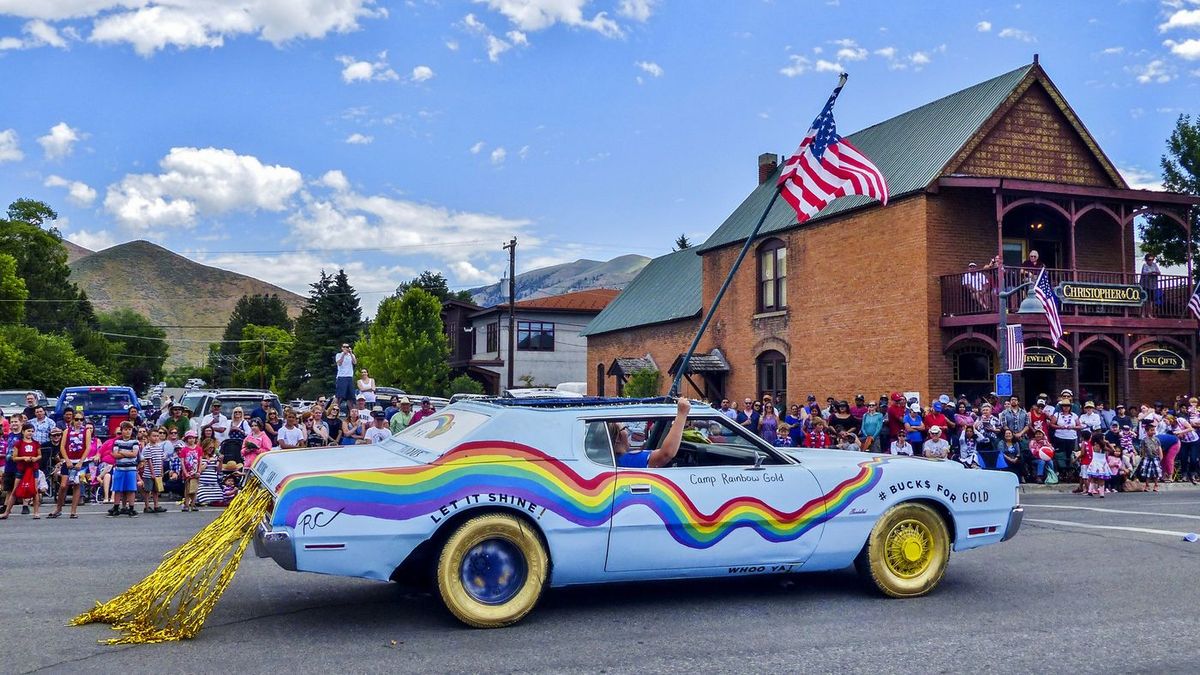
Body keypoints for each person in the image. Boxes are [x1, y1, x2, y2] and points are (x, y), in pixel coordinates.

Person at [610, 399, 690, 468]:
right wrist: (682, 413)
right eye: (624, 428)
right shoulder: (629, 459)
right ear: (617, 438)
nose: (627, 432)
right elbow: (666, 454)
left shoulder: (610, 459)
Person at [48, 411, 92, 519]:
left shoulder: (86, 431)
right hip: (69, 460)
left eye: (81, 419)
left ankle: (73, 511)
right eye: (76, 419)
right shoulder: (67, 431)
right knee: (63, 485)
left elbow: (88, 447)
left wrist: (81, 462)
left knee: (77, 484)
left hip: (81, 461)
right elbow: (62, 447)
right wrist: (67, 460)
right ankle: (58, 508)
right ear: (73, 420)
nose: (79, 422)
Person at [0, 423, 42, 519]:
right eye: (28, 431)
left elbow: (40, 455)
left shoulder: (36, 443)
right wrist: (24, 458)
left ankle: (36, 512)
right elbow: (14, 458)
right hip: (21, 469)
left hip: (33, 469)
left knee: (35, 490)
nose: (30, 433)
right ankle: (7, 512)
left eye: (32, 431)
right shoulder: (18, 443)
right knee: (15, 490)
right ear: (23, 431)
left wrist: (35, 459)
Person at [108, 421, 141, 518]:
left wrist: (122, 452)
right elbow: (115, 455)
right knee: (117, 489)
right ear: (121, 431)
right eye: (125, 429)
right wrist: (128, 453)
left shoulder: (135, 442)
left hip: (131, 469)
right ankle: (116, 506)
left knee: (131, 489)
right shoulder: (117, 442)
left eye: (129, 430)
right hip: (120, 468)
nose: (127, 432)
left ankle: (131, 507)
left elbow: (134, 454)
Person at [1048, 398, 1083, 481]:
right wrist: (1060, 427)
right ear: (1061, 407)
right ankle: (1061, 471)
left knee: (1070, 455)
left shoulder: (1074, 415)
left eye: (1067, 406)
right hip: (1060, 437)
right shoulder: (1057, 414)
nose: (1066, 407)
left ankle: (1070, 472)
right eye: (1064, 406)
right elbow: (1051, 424)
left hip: (1071, 437)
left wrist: (1072, 427)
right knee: (1060, 455)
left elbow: (1080, 426)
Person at [1082, 431, 1112, 497]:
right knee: (1102, 478)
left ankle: (1090, 490)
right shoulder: (1102, 446)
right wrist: (1108, 443)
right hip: (1101, 462)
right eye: (1103, 439)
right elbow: (1112, 450)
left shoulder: (1093, 445)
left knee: (1093, 477)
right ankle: (1102, 493)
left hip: (1094, 461)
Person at [179, 430, 203, 512]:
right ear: (186, 439)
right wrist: (185, 473)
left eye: (193, 438)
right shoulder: (184, 450)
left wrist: (199, 471)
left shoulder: (199, 449)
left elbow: (200, 461)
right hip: (187, 471)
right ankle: (186, 504)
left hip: (195, 471)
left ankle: (193, 504)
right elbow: (182, 462)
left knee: (194, 488)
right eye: (189, 438)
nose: (191, 440)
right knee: (187, 489)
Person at [335, 343, 357, 409]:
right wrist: (343, 355)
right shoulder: (339, 355)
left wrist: (350, 353)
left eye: (347, 347)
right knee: (340, 396)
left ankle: (352, 412)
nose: (345, 348)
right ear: (342, 348)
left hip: (349, 377)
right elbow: (339, 363)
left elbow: (355, 362)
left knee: (351, 397)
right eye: (344, 347)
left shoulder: (351, 355)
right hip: (342, 377)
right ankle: (336, 409)